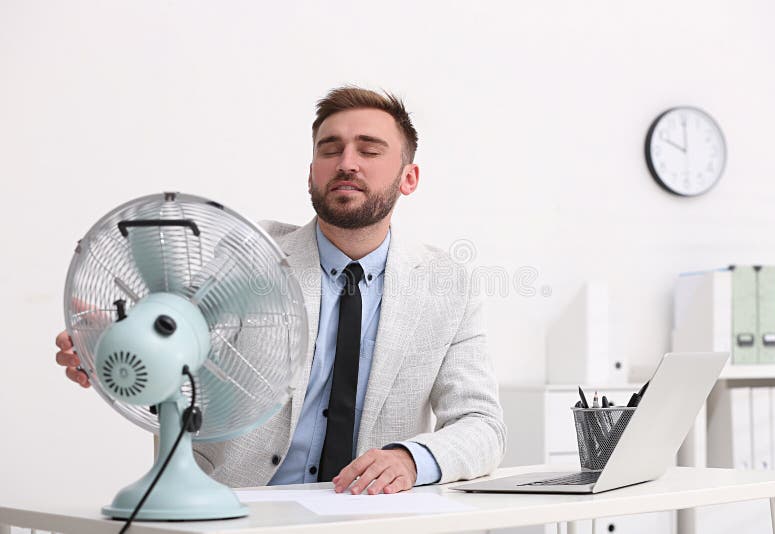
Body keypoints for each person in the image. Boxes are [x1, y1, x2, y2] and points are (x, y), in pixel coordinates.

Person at [55, 86, 506, 495]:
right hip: (236, 508)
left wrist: (411, 460)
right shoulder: (247, 256)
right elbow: (184, 366)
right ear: (311, 174)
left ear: (409, 178)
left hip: (371, 514)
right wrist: (123, 348)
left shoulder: (448, 286)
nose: (346, 163)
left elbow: (482, 426)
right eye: (330, 150)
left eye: (369, 150)